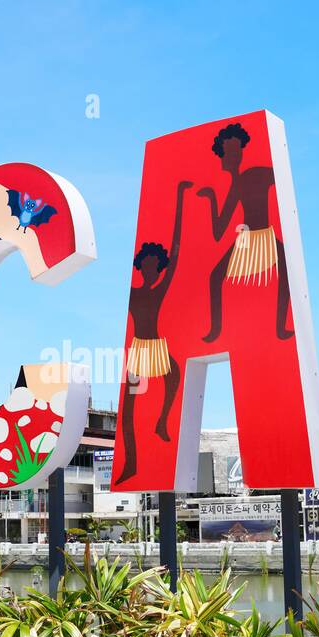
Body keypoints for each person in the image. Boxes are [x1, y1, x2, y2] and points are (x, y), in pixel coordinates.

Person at [117, 179, 191, 485]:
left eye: (152, 265)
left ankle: (162, 422)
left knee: (175, 376)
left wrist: (180, 199)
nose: (148, 269)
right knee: (130, 410)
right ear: (140, 266)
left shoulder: (159, 288)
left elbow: (175, 253)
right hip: (138, 348)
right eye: (144, 264)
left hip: (157, 347)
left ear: (156, 268)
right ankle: (131, 463)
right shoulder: (133, 293)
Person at [198, 123, 293, 342]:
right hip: (246, 242)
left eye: (236, 151)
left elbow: (279, 177)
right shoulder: (236, 185)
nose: (233, 156)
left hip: (265, 237)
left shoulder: (256, 173)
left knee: (286, 267)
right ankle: (216, 330)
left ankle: (281, 327)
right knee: (215, 276)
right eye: (229, 153)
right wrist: (212, 199)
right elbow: (219, 231)